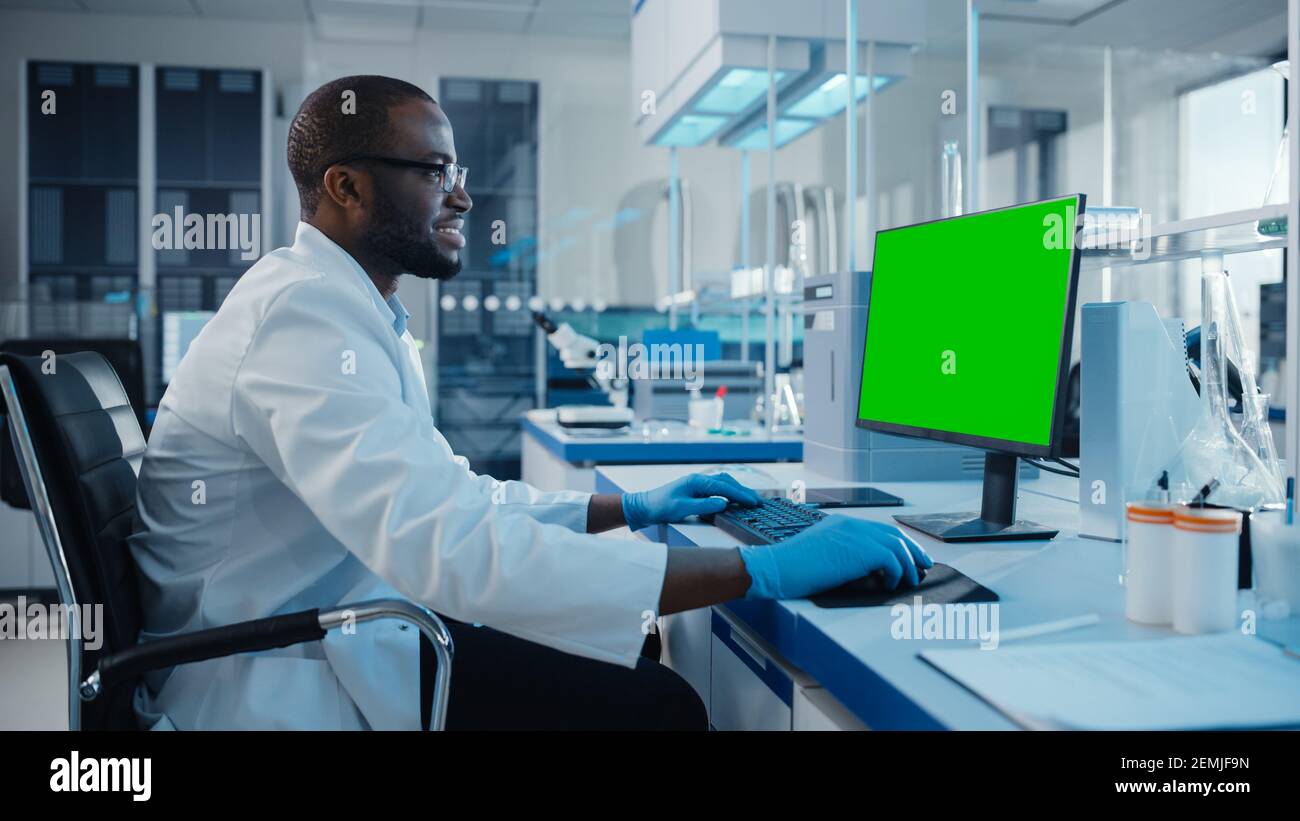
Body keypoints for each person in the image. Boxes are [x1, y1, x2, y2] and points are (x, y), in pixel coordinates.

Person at [128, 75, 931, 730]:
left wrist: (626, 507)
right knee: (660, 709)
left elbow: (456, 500)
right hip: (271, 678)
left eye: (458, 172)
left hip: (353, 630)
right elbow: (450, 547)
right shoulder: (300, 317)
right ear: (346, 186)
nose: (463, 198)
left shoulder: (347, 308)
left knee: (633, 666)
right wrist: (756, 568)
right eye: (435, 171)